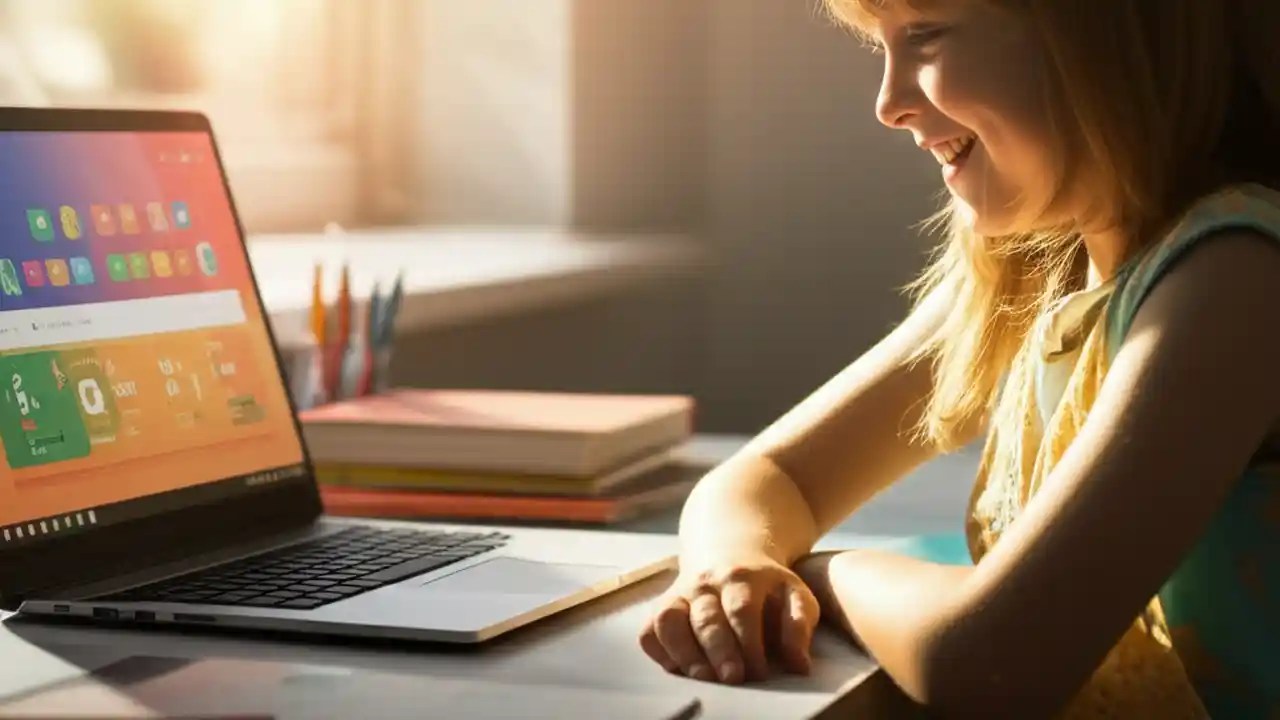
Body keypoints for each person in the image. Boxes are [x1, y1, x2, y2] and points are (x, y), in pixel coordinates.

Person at [637, 1, 1280, 716]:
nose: (889, 104)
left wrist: (818, 575)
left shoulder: (1236, 278)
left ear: (1102, 35)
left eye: (926, 36)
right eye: (882, 46)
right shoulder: (1037, 269)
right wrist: (734, 566)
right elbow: (768, 478)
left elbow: (993, 665)